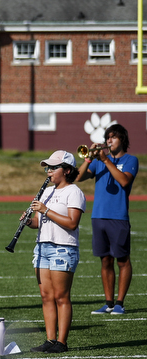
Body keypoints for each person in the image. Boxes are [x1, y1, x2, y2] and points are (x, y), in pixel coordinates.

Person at [24, 151, 85, 353]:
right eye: (47, 168)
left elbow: (72, 223)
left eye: (53, 167)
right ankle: (50, 340)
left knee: (61, 296)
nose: (48, 171)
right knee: (46, 296)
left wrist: (45, 210)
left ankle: (62, 342)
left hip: (63, 247)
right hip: (42, 245)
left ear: (67, 170)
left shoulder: (74, 192)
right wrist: (28, 221)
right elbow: (39, 223)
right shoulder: (46, 191)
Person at [76, 123, 138, 315]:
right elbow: (78, 177)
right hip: (98, 216)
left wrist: (105, 161)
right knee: (105, 260)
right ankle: (108, 302)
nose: (109, 141)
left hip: (118, 216)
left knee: (122, 260)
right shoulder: (99, 160)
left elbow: (124, 180)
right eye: (107, 137)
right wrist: (88, 158)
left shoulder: (130, 160)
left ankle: (120, 302)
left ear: (123, 140)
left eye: (113, 137)